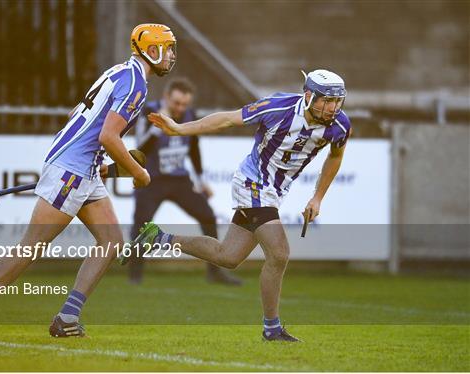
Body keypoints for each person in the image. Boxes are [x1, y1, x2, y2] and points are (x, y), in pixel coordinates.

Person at [0, 24, 177, 337]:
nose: (172, 55)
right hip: (72, 169)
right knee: (32, 247)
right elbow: (109, 136)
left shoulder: (119, 71)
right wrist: (139, 173)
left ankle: (67, 318)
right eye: (168, 47)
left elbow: (76, 115)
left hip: (82, 166)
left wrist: (96, 164)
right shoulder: (137, 84)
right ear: (152, 50)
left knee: (111, 243)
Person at [126, 69, 351, 342]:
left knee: (228, 257)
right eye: (326, 101)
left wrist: (317, 197)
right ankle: (272, 328)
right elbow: (227, 120)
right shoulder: (277, 106)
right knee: (279, 253)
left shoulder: (340, 124)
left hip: (275, 191)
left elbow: (335, 156)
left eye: (337, 101)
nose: (332, 108)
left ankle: (159, 237)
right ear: (308, 95)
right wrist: (179, 128)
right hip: (252, 182)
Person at [125, 77, 242, 286]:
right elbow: (140, 150)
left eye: (184, 104)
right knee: (141, 225)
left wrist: (201, 180)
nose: (180, 108)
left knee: (207, 216)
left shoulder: (189, 115)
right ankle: (135, 276)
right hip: (151, 180)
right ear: (165, 98)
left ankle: (215, 272)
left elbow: (194, 149)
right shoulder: (148, 113)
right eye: (176, 103)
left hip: (180, 181)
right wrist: (159, 125)